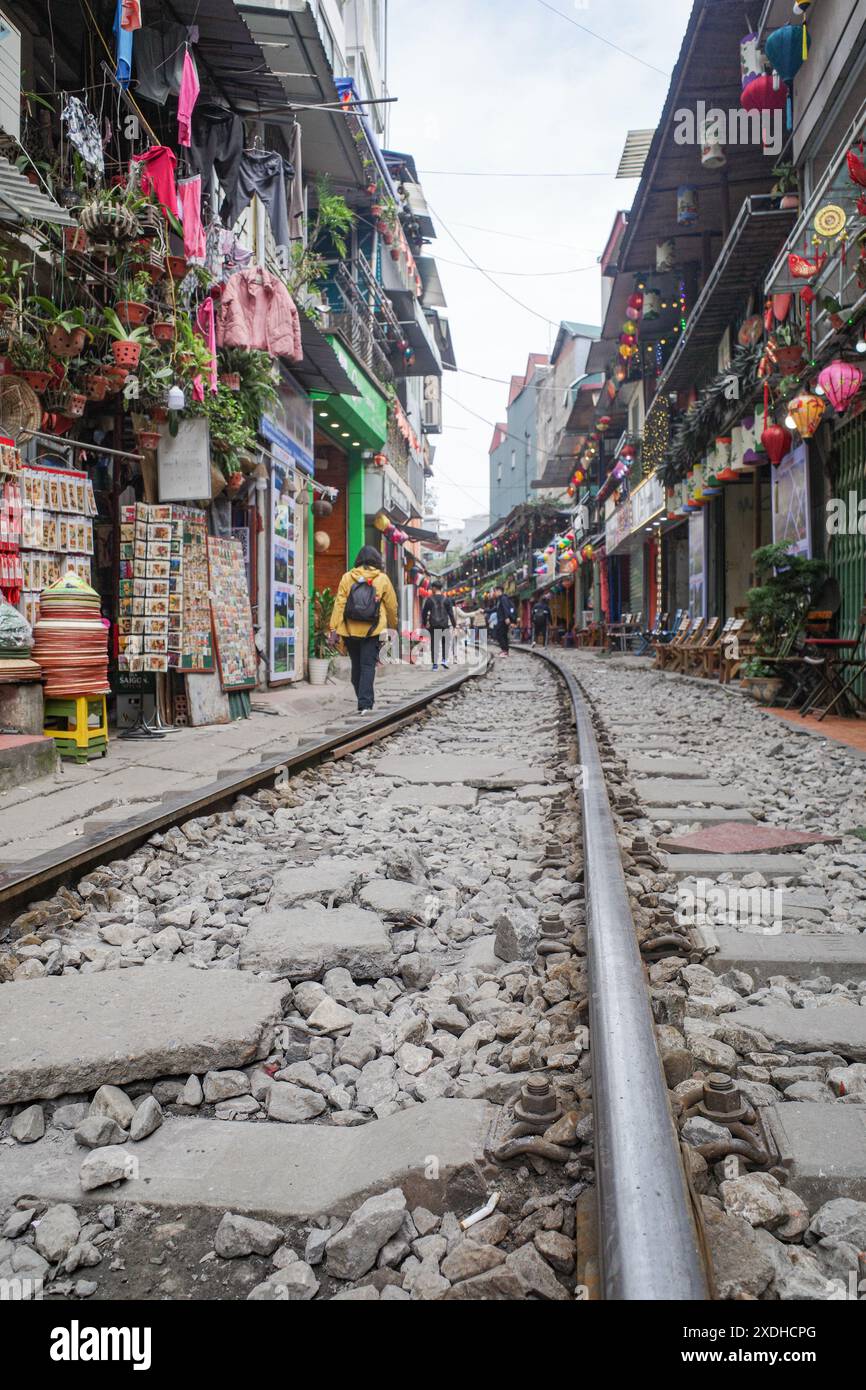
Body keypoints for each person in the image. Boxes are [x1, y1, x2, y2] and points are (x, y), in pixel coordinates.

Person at [329, 546, 398, 712]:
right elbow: (391, 606)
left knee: (357, 666)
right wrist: (393, 626)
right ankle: (365, 704)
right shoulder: (382, 579)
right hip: (373, 630)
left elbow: (339, 604)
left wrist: (333, 629)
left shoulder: (347, 577)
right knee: (368, 666)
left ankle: (363, 700)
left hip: (349, 630)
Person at [422, 580, 457, 670]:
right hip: (444, 624)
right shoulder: (447, 600)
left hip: (433, 625)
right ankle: (444, 660)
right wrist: (454, 625)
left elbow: (424, 613)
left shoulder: (429, 600)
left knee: (434, 644)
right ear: (441, 588)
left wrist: (425, 623)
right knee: (445, 643)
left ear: (434, 588)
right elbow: (451, 614)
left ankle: (435, 665)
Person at [491, 586, 516, 656]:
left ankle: (504, 650)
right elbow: (495, 609)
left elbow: (506, 608)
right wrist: (485, 611)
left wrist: (507, 617)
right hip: (501, 620)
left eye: (495, 591)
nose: (494, 593)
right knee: (503, 635)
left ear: (499, 591)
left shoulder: (503, 598)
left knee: (500, 635)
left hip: (503, 620)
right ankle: (505, 650)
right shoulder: (499, 600)